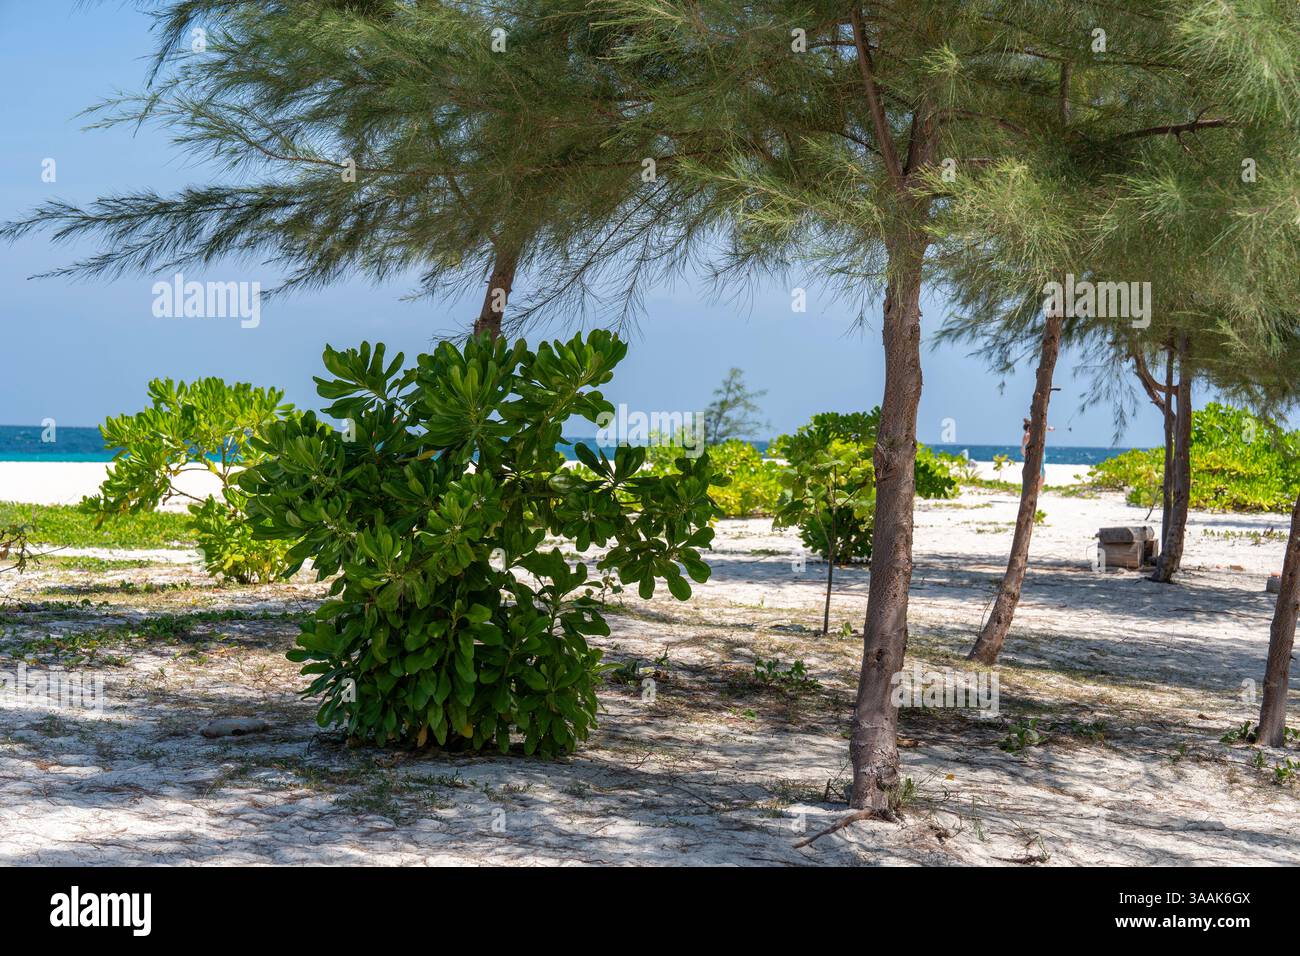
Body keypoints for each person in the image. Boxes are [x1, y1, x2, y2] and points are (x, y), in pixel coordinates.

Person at [1022, 417, 1055, 495]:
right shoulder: (1027, 435)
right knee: (1038, 477)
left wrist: (1047, 429)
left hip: (1041, 459)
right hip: (1035, 460)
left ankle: (1035, 493)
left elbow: (1039, 431)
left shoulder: (1034, 434)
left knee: (1043, 478)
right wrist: (1047, 429)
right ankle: (1032, 494)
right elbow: (1037, 432)